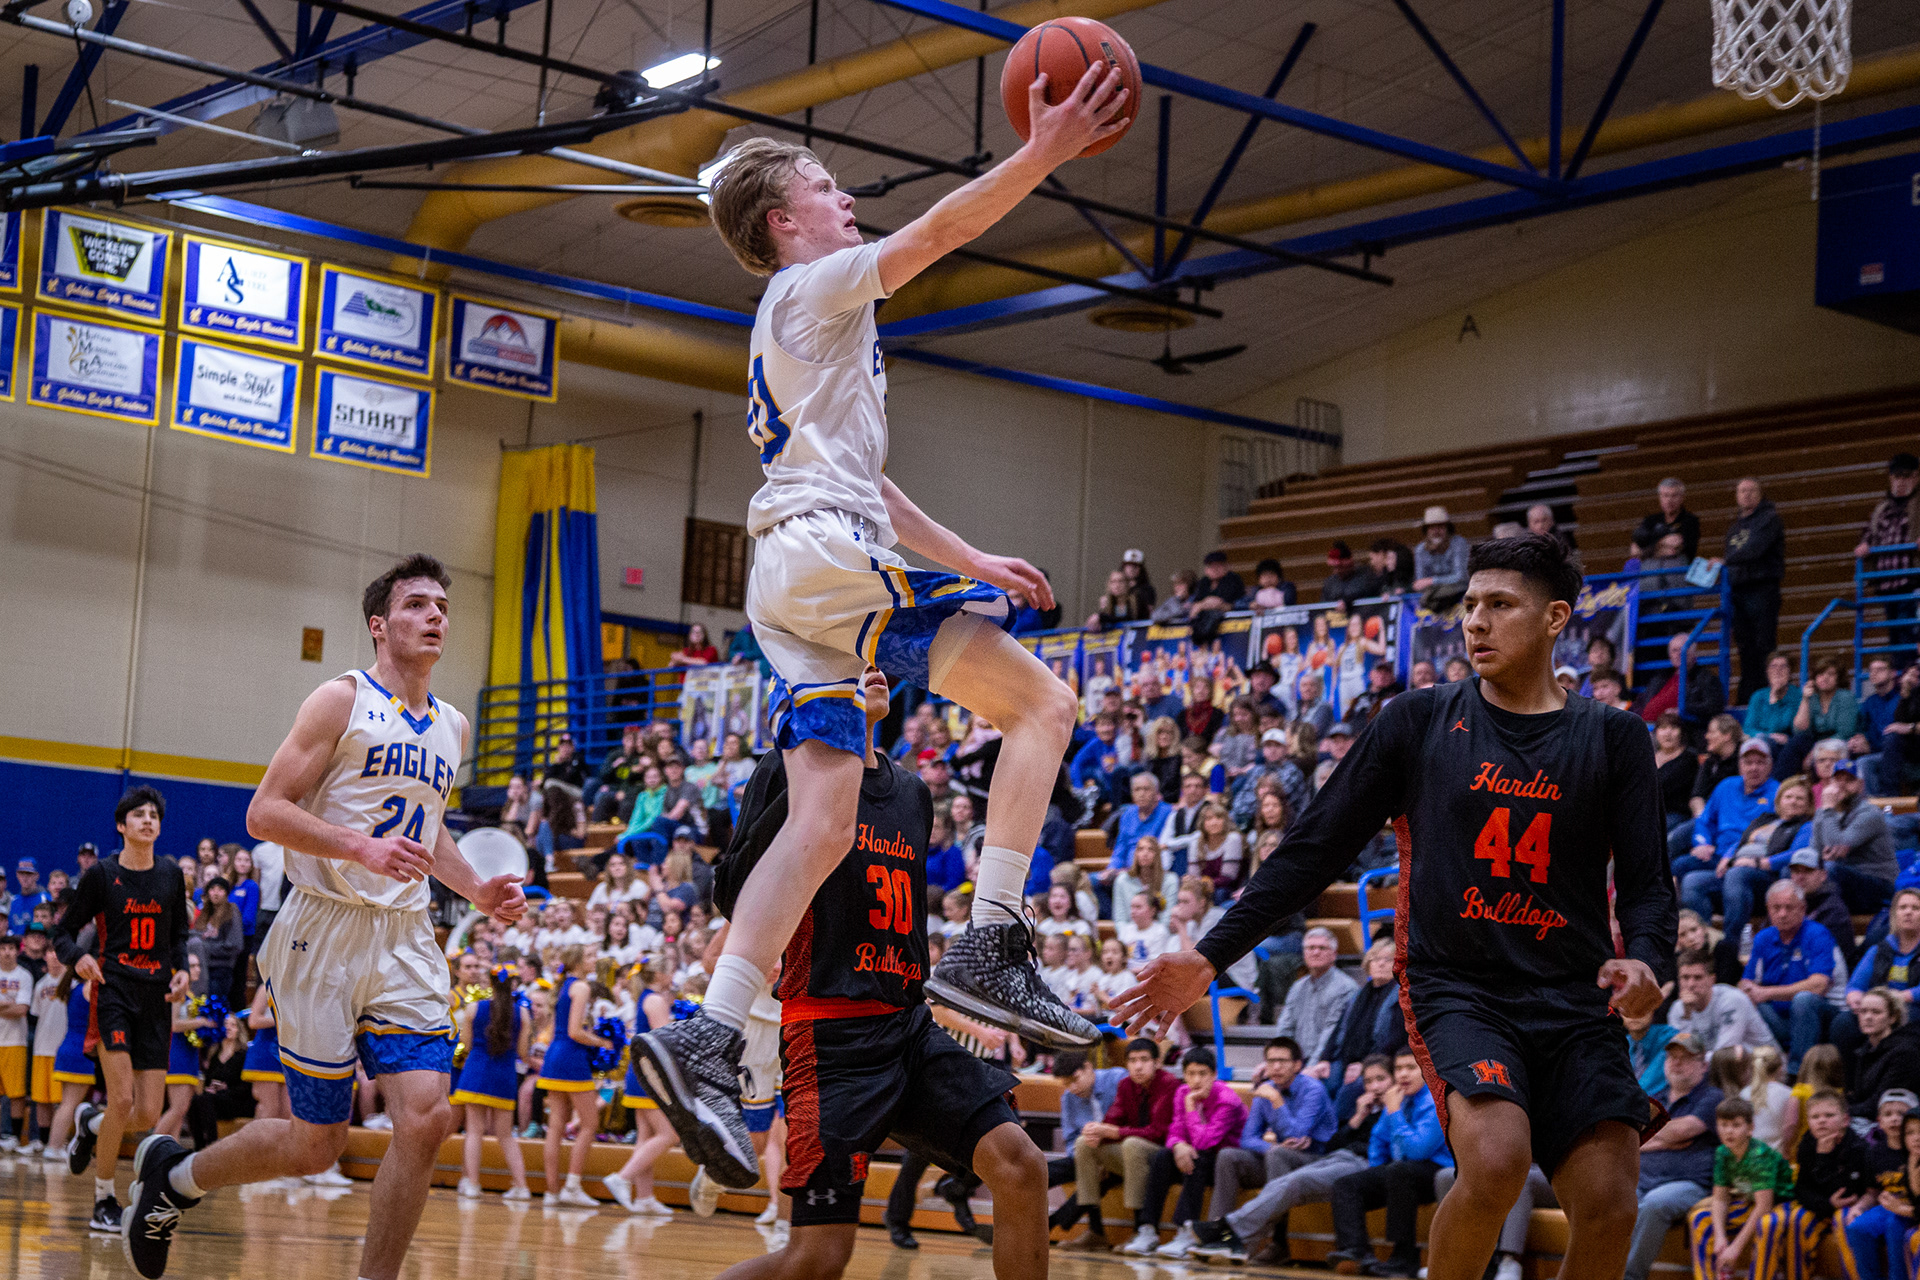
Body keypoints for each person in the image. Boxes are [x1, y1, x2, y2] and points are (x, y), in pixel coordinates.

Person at [636, 75, 1131, 1192]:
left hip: (796, 574)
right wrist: (1044, 151)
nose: (844, 194)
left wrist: (967, 560)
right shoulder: (815, 284)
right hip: (820, 552)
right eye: (824, 183)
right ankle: (994, 937)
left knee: (819, 825)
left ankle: (711, 1031)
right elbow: (946, 229)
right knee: (1043, 704)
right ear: (783, 220)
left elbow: (875, 482)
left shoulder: (814, 328)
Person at [1114, 533, 1675, 1280]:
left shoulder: (1616, 737)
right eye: (1470, 605)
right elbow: (1314, 848)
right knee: (1498, 1160)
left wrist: (1646, 960)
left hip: (1574, 995)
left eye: (1500, 605)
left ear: (1556, 619)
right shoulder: (1416, 721)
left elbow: (1646, 880)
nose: (1475, 621)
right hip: (1461, 988)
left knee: (1610, 1202)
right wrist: (1211, 954)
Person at [113, 555, 528, 1280]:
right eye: (417, 605)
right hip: (322, 928)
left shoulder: (452, 726)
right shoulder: (341, 700)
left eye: (442, 606)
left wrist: (476, 890)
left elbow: (427, 830)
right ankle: (175, 1180)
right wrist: (357, 846)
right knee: (318, 1143)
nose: (436, 616)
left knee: (428, 1118)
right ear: (379, 625)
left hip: (403, 937)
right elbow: (264, 811)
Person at [706, 665, 1050, 1280]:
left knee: (1021, 1165)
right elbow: (733, 895)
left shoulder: (914, 792)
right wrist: (800, 781)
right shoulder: (784, 771)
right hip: (829, 1037)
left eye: (874, 656)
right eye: (846, 660)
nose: (870, 669)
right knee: (817, 1259)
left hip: (907, 1026)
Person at [52, 787, 191, 1234]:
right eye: (139, 815)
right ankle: (103, 1199)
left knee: (148, 1113)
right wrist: (78, 958)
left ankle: (90, 1124)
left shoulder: (170, 875)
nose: (148, 821)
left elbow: (179, 938)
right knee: (123, 1099)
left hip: (156, 999)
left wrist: (183, 970)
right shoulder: (102, 876)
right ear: (122, 825)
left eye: (154, 815)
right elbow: (64, 931)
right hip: (113, 993)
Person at [1190, 1054, 1394, 1265]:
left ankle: (1225, 1228)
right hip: (1338, 1157)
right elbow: (1334, 1144)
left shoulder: (1398, 1109)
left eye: (1381, 1079)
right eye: (1369, 1081)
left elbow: (1391, 1151)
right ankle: (1234, 1239)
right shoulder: (1363, 1106)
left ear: (1393, 1080)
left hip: (1363, 1165)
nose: (1375, 1086)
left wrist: (1391, 1110)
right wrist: (1357, 1118)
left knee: (1296, 1183)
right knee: (1282, 1182)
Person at [1324, 1048, 1455, 1277]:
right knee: (1346, 1185)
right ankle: (1357, 1252)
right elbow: (1378, 1140)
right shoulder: (1399, 1096)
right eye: (1398, 1069)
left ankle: (1404, 1258)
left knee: (1399, 1172)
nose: (1403, 1074)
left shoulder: (1436, 1100)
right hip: (1403, 1175)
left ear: (1427, 1072)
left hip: (1438, 1172)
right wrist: (1376, 1175)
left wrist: (1393, 1110)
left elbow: (1418, 1150)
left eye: (1411, 1068)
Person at [1202, 1036, 1336, 1255]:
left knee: (1278, 1156)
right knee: (1228, 1156)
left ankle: (1271, 1244)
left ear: (1298, 1065)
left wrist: (1277, 1101)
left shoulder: (1313, 1090)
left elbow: (1297, 1133)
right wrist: (1271, 1148)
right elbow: (1247, 1138)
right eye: (1271, 1060)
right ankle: (1217, 1234)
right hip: (1281, 1159)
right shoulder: (1267, 1089)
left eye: (1282, 1061)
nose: (1275, 1066)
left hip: (1316, 1161)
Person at [1059, 1035, 1179, 1251]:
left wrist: (1114, 1131)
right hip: (1134, 1152)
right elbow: (1113, 1119)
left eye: (1144, 1060)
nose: (1138, 1066)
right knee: (1084, 1143)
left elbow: (1160, 1133)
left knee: (1132, 1144)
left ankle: (1139, 1230)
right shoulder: (1125, 1085)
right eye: (1132, 1061)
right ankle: (1096, 1229)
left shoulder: (1169, 1084)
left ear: (1157, 1063)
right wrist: (1097, 1132)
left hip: (1163, 1156)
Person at [1625, 1034, 1725, 1280]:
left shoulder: (1712, 1097)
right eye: (1672, 1057)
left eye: (1686, 1058)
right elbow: (1628, 1138)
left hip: (1692, 1184)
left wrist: (1648, 1135)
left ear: (1703, 1065)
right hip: (1643, 1180)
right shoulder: (1655, 1096)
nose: (1677, 1063)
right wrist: (1662, 1141)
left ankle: (1629, 1276)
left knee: (1655, 1204)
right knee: (1613, 1200)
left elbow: (1684, 1130)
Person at [1132, 1046, 1246, 1257]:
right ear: (1184, 1075)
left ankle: (1186, 1231)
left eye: (1203, 1074)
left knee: (1198, 1159)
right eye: (1191, 1074)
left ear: (1214, 1075)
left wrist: (1191, 1105)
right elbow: (1175, 1130)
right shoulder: (1182, 1092)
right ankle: (1147, 1229)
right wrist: (1178, 1145)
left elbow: (1205, 1142)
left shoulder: (1226, 1100)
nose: (1196, 1080)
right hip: (1198, 1156)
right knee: (1163, 1157)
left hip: (1224, 1163)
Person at [1686, 1095, 1792, 1280]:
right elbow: (1720, 1198)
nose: (1729, 1131)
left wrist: (1735, 1248)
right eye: (1723, 1125)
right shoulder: (1722, 1153)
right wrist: (1720, 1237)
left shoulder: (1759, 1156)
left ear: (1750, 1129)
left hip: (1782, 1204)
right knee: (1700, 1218)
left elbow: (1764, 1206)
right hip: (1751, 1203)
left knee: (1767, 1225)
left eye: (1736, 1125)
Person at [450, 964, 533, 1201]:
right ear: (513, 984)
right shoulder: (523, 1013)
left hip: (474, 1073)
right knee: (505, 1135)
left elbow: (464, 1044)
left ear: (489, 983)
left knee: (474, 1131)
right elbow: (523, 1052)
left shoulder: (474, 1008)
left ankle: (473, 1185)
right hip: (504, 1077)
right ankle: (521, 1186)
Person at [1768, 1089, 1869, 1280]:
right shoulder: (1807, 1143)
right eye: (1815, 1117)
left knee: (1845, 1219)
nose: (1821, 1121)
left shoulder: (1858, 1147)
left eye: (1829, 1115)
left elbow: (1848, 1193)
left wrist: (1824, 1158)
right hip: (1822, 1205)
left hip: (1850, 1205)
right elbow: (1802, 1188)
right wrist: (1825, 1204)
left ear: (1845, 1120)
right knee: (1798, 1219)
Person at [1742, 881, 1838, 1074]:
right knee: (1745, 1002)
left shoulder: (1817, 934)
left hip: (1820, 1015)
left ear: (1803, 909)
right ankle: (1757, 1068)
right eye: (1776, 908)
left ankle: (1796, 1073)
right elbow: (1747, 982)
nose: (1782, 914)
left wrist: (1767, 993)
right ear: (1768, 909)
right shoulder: (1763, 938)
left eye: (1789, 907)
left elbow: (1818, 985)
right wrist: (1749, 991)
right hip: (1780, 1019)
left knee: (1803, 1000)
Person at [606, 962, 678, 1215]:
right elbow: (665, 1043)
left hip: (640, 1073)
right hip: (651, 1076)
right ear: (659, 973)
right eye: (670, 968)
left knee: (646, 1136)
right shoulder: (655, 1001)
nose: (673, 973)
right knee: (669, 1135)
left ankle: (645, 1198)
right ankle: (622, 1178)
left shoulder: (647, 998)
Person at [1720, 478, 1786, 704]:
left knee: (1763, 644)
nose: (1746, 495)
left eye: (1751, 491)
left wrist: (1725, 561)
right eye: (1742, 491)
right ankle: (1749, 695)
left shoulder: (1770, 520)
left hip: (1762, 589)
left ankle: (1769, 691)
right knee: (1745, 646)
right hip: (1738, 591)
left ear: (1760, 494)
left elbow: (1754, 550)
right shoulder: (1734, 528)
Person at [1856, 453, 1920, 670]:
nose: (1901, 481)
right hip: (1887, 582)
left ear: (1915, 477)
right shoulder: (1881, 507)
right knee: (1895, 633)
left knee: (1909, 631)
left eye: (1906, 476)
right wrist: (1864, 546)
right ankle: (1903, 678)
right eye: (1896, 476)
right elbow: (1869, 534)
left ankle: (1911, 676)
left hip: (1912, 581)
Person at [1811, 760, 1898, 915]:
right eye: (1838, 780)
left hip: (1878, 885)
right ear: (1830, 783)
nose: (1842, 785)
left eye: (1849, 780)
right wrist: (1824, 811)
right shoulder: (1826, 812)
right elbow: (1814, 852)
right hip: (1847, 881)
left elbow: (1836, 846)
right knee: (1796, 871)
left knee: (1832, 871)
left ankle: (1829, 920)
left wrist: (1828, 809)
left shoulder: (1870, 813)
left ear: (1860, 785)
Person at [1275, 927, 1359, 1072]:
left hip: (1329, 1061)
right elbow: (1285, 1027)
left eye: (1322, 948)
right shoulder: (1297, 987)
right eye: (1311, 948)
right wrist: (1278, 1060)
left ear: (1334, 955)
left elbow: (1330, 1035)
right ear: (1304, 953)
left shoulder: (1345, 987)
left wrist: (1309, 1068)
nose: (1315, 952)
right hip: (1297, 1061)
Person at [1632, 477, 1701, 561]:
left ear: (1682, 498)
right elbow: (1636, 551)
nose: (1669, 500)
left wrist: (1649, 549)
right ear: (1660, 498)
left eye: (1674, 496)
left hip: (1677, 569)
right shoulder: (1650, 521)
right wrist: (1662, 543)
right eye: (1665, 495)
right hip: (1651, 569)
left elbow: (1680, 550)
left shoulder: (1690, 520)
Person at [1411, 508, 1470, 593]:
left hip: (1459, 593)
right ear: (1426, 531)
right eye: (1432, 528)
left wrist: (1431, 581)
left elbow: (1461, 577)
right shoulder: (1420, 550)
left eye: (1440, 527)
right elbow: (1420, 583)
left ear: (1448, 529)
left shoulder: (1458, 544)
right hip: (1432, 596)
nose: (1436, 531)